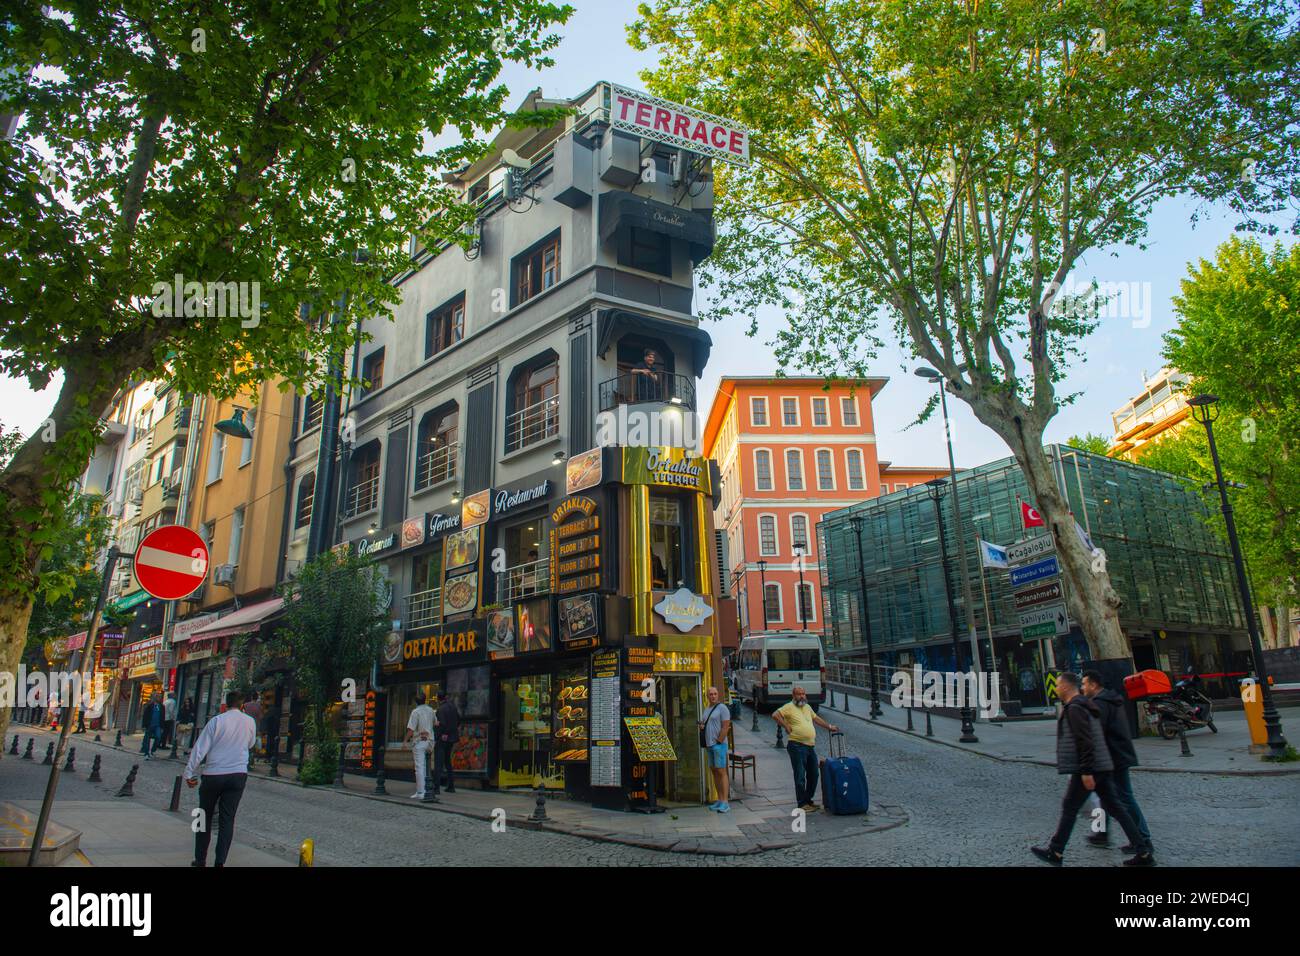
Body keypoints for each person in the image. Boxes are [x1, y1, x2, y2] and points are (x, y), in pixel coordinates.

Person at [1031, 672, 1155, 867]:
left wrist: (1087, 771)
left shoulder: (1075, 708)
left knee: (1070, 808)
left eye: (1057, 685)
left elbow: (1085, 741)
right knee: (1116, 808)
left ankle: (1055, 851)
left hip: (1090, 768)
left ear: (1065, 687)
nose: (1055, 688)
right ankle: (1143, 850)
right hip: (1101, 765)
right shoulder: (1085, 704)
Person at [1082, 670, 1154, 855]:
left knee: (1124, 798)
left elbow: (1097, 735)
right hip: (1117, 756)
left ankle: (1143, 838)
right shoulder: (1110, 699)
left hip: (1114, 758)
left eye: (1085, 684)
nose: (1082, 688)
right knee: (1108, 797)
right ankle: (1102, 834)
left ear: (1093, 685)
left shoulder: (1100, 704)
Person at [184, 690, 258, 867]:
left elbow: (200, 749)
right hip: (237, 775)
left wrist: (189, 772)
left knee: (203, 815)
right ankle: (220, 862)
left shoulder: (216, 721)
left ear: (225, 704)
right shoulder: (250, 722)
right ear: (242, 705)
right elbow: (251, 743)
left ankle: (200, 858)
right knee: (227, 819)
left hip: (214, 774)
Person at [773, 685, 839, 812]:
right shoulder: (789, 707)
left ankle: (808, 800)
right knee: (800, 775)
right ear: (793, 696)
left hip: (809, 746)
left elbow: (816, 719)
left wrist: (829, 726)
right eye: (799, 694)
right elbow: (775, 715)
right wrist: (786, 725)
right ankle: (802, 803)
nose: (802, 696)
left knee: (814, 774)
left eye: (803, 693)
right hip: (797, 745)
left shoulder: (807, 707)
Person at [699, 686, 732, 813]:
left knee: (721, 771)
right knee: (714, 771)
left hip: (718, 745)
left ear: (718, 695)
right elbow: (704, 724)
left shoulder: (722, 708)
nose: (713, 696)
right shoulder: (707, 709)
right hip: (709, 745)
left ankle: (725, 802)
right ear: (707, 696)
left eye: (715, 694)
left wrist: (719, 740)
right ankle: (720, 799)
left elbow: (726, 726)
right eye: (710, 694)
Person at [404, 691, 437, 799]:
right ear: (425, 699)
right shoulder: (431, 710)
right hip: (430, 741)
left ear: (416, 702)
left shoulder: (415, 712)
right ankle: (425, 789)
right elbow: (436, 723)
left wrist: (405, 741)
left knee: (419, 767)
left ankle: (421, 792)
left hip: (419, 741)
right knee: (426, 766)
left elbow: (411, 729)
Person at [434, 692, 460, 795]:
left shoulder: (441, 709)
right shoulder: (453, 707)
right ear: (445, 697)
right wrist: (452, 731)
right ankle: (451, 785)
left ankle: (436, 788)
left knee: (438, 763)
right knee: (448, 762)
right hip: (452, 738)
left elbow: (442, 724)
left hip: (443, 738)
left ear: (438, 698)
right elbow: (458, 720)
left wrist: (442, 734)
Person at [242, 693, 264, 762]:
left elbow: (242, 713)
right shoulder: (259, 706)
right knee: (253, 742)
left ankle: (244, 756)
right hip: (255, 726)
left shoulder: (245, 705)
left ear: (251, 697)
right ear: (257, 698)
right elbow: (261, 717)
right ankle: (251, 758)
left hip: (245, 725)